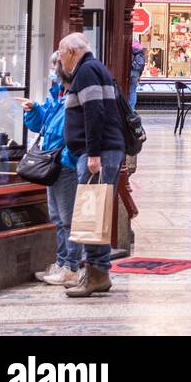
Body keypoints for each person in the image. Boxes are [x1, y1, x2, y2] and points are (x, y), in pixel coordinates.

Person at [59, 32, 126, 298]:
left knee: (92, 211)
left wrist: (94, 153)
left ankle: (97, 273)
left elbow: (94, 112)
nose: (60, 59)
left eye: (61, 52)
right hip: (101, 149)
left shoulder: (86, 71)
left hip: (98, 152)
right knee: (94, 211)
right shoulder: (96, 68)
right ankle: (96, 272)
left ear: (72, 52)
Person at [23, 53, 81, 287]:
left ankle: (71, 266)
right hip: (52, 163)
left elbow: (70, 131)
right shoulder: (57, 95)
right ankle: (61, 262)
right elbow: (42, 123)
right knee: (58, 217)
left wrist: (65, 153)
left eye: (53, 67)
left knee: (68, 219)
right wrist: (33, 109)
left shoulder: (73, 97)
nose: (51, 72)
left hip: (65, 164)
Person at [128, 42, 146, 110]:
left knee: (128, 90)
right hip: (136, 73)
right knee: (133, 90)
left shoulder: (131, 52)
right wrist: (139, 75)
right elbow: (142, 66)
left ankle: (127, 107)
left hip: (130, 72)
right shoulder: (141, 54)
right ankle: (132, 108)